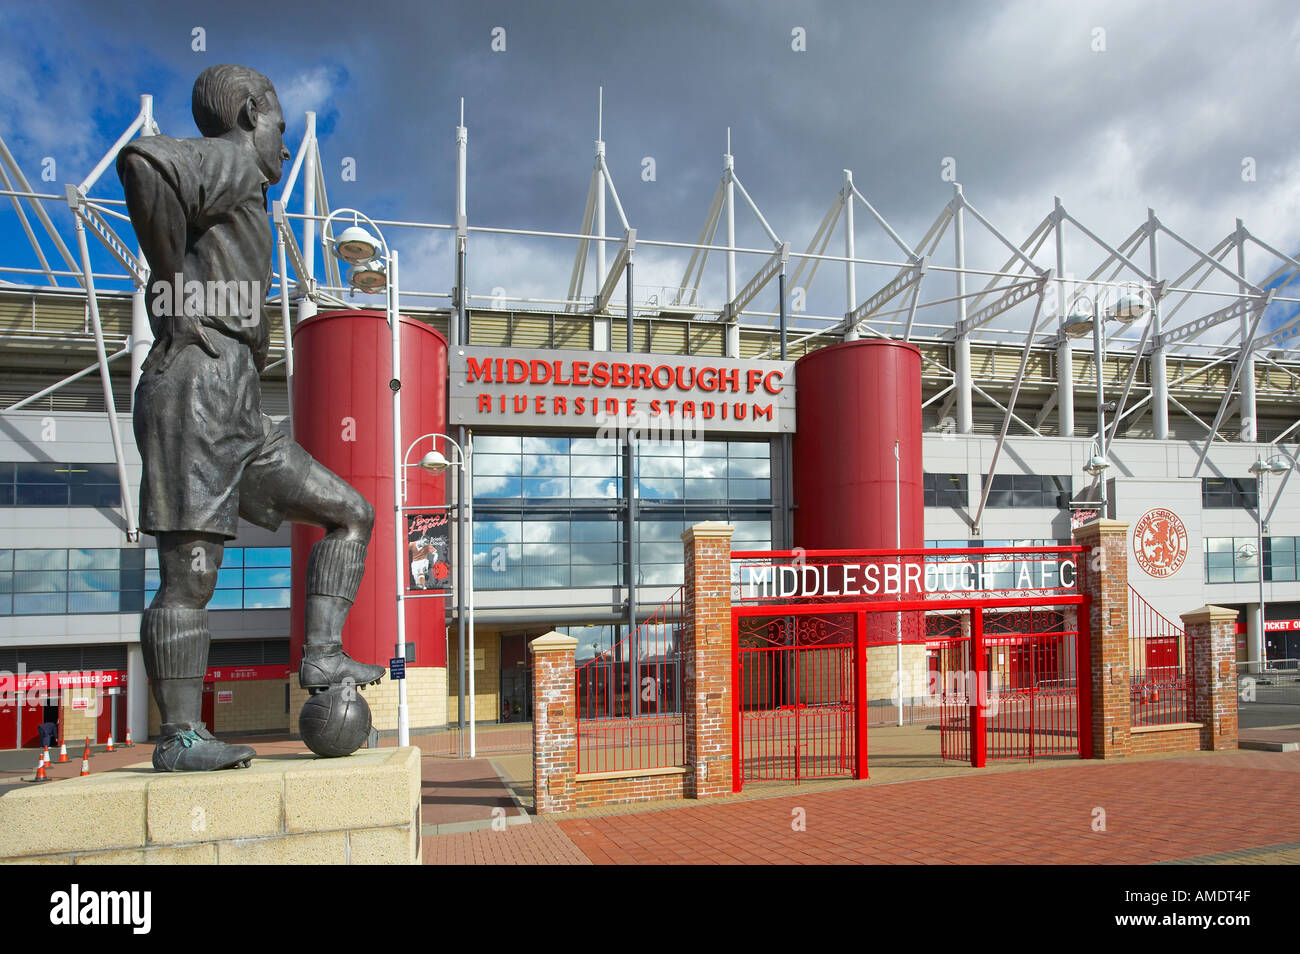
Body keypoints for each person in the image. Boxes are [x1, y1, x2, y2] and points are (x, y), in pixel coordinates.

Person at [117, 65, 385, 771]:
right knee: (190, 578)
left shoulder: (247, 188)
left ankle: (322, 657)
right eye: (279, 127)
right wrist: (173, 287)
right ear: (246, 114)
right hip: (196, 392)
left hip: (236, 404)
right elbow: (143, 163)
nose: (285, 149)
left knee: (350, 510)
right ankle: (179, 737)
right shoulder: (231, 161)